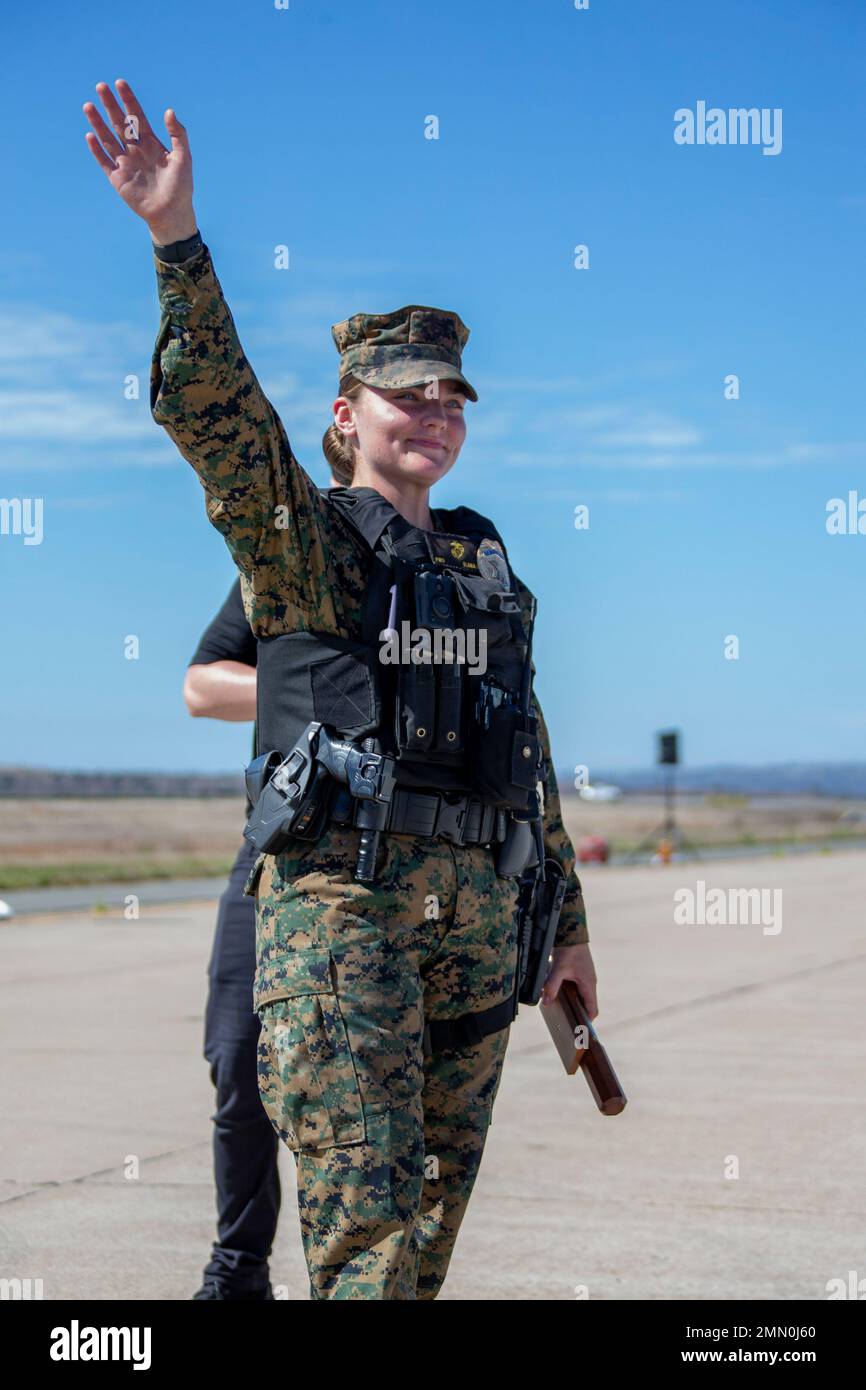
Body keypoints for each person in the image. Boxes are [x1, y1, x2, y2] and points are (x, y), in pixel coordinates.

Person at [84, 78, 599, 1301]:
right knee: (364, 1245)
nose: (432, 411)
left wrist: (564, 925)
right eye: (405, 392)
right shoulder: (307, 542)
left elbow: (523, 745)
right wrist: (176, 239)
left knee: (419, 1245)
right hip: (341, 910)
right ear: (344, 415)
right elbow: (222, 425)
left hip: (477, 919)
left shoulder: (484, 566)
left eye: (448, 395)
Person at [184, 581, 278, 1301]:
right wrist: (317, 679)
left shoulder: (458, 555)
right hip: (277, 849)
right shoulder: (283, 550)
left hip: (410, 862)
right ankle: (239, 1271)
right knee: (237, 1058)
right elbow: (202, 687)